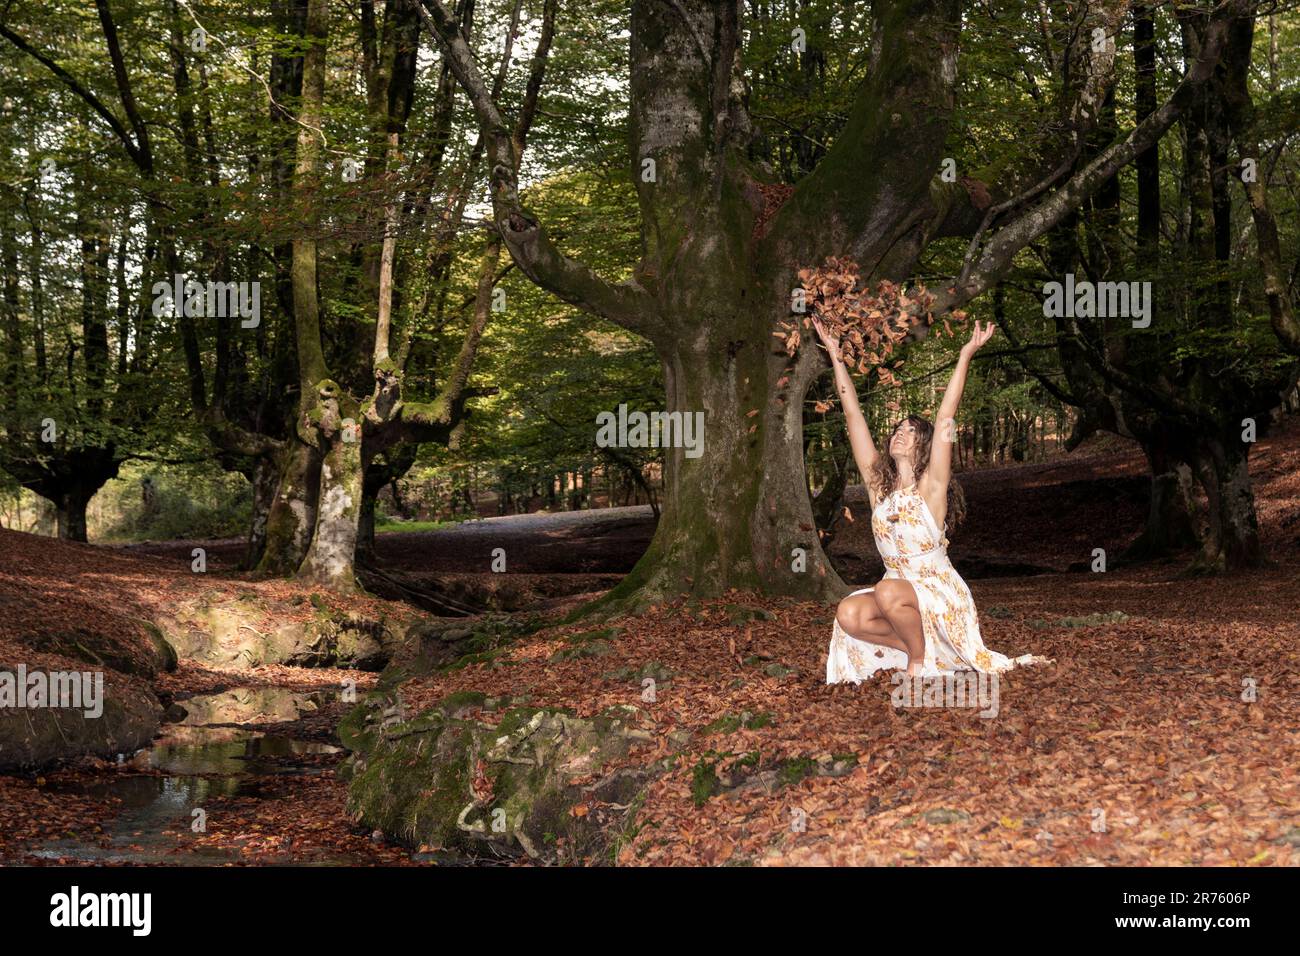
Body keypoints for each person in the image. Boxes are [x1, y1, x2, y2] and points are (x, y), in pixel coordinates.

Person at [812, 315, 1049, 683]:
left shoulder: (932, 487)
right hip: (897, 592)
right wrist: (835, 356)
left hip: (936, 592)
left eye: (910, 431)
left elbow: (946, 417)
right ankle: (920, 649)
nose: (900, 434)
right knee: (849, 613)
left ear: (923, 445)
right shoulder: (879, 489)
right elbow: (853, 413)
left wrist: (966, 354)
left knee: (887, 591)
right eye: (897, 429)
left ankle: (919, 662)